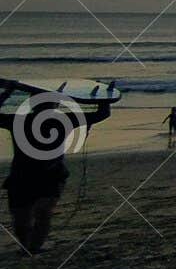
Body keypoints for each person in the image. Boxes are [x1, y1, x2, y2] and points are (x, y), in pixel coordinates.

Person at [2, 86, 114, 255]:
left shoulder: (63, 120)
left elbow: (101, 114)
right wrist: (7, 92)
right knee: (21, 219)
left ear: (55, 104)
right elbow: (102, 113)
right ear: (33, 104)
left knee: (43, 211)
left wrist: (103, 95)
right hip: (21, 176)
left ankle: (34, 248)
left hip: (51, 175)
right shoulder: (18, 121)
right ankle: (26, 246)